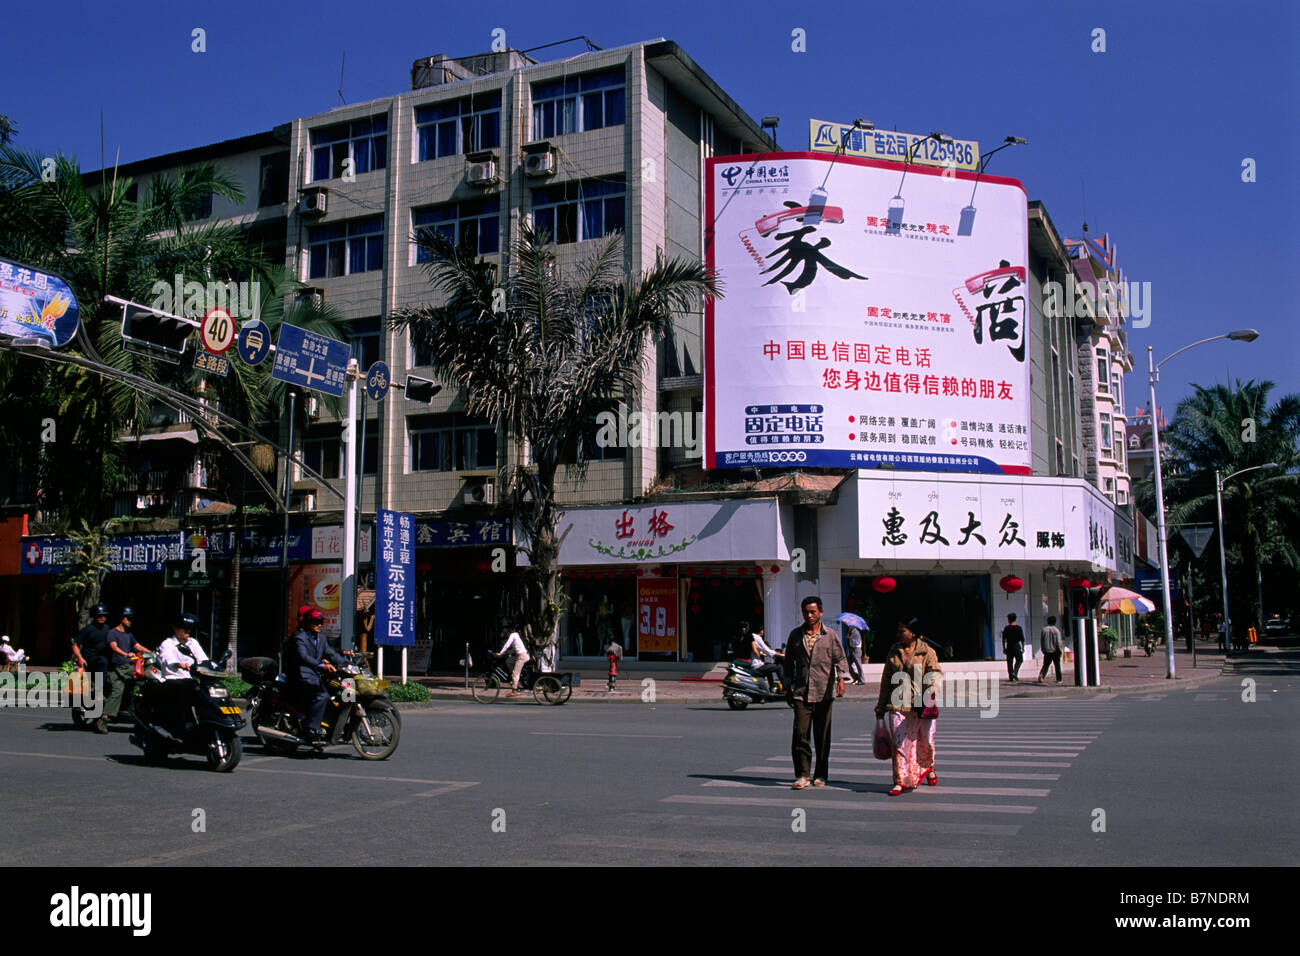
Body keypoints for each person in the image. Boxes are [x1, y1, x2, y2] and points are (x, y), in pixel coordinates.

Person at [783, 596, 848, 790]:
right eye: (806, 612)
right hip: (801, 692)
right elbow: (788, 664)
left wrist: (841, 679)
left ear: (820, 612)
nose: (809, 615)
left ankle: (821, 773)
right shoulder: (795, 635)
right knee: (800, 734)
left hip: (824, 692)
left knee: (822, 735)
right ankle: (802, 774)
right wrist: (787, 686)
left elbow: (840, 658)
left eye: (813, 612)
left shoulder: (830, 635)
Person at [875, 617, 942, 795]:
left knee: (925, 740)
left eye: (902, 631)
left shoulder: (927, 652)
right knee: (899, 743)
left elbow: (935, 672)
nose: (898, 634)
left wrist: (930, 688)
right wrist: (880, 706)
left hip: (921, 705)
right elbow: (886, 680)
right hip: (897, 704)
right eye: (897, 630)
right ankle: (900, 780)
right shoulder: (893, 651)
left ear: (913, 633)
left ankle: (929, 767)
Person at [287, 607, 345, 743]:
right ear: (307, 623)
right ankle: (311, 729)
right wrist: (320, 665)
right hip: (301, 676)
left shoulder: (321, 638)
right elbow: (304, 657)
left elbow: (331, 653)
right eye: (316, 622)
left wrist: (346, 663)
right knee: (321, 695)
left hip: (314, 676)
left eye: (321, 622)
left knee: (333, 692)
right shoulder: (299, 638)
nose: (319, 625)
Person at [100, 607, 151, 732]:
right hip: (116, 669)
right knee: (118, 689)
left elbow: (137, 646)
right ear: (123, 619)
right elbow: (114, 647)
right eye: (129, 619)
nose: (131, 621)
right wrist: (125, 654)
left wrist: (152, 652)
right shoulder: (113, 633)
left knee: (147, 678)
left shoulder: (128, 634)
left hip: (128, 667)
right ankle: (104, 718)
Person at [495, 622, 530, 698]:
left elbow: (507, 645)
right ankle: (517, 676)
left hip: (522, 656)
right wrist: (507, 653)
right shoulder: (517, 636)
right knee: (508, 661)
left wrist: (500, 653)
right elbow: (515, 648)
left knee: (515, 673)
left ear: (512, 629)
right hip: (521, 655)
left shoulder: (513, 635)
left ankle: (514, 691)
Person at [749, 623, 783, 690]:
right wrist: (780, 654)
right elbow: (767, 650)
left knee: (769, 667)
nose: (763, 632)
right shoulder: (757, 638)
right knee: (778, 667)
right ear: (760, 630)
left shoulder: (752, 636)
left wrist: (762, 654)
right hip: (757, 665)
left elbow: (757, 649)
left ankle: (771, 688)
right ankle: (786, 687)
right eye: (763, 630)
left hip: (753, 665)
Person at [1037, 615, 1064, 684]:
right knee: (1057, 665)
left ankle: (1042, 675)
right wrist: (1060, 651)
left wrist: (1043, 649)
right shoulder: (1056, 630)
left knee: (1045, 665)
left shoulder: (1044, 630)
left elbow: (1042, 641)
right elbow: (1058, 642)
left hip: (1046, 650)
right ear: (1054, 622)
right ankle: (1059, 679)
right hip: (1055, 650)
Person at [1001, 613, 1025, 682]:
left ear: (1009, 619)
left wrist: (1004, 648)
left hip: (1009, 646)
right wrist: (1023, 648)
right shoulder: (1019, 628)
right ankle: (1015, 672)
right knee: (1020, 659)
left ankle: (1011, 676)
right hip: (1016, 645)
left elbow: (1003, 639)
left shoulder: (1006, 628)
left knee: (1009, 662)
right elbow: (1022, 639)